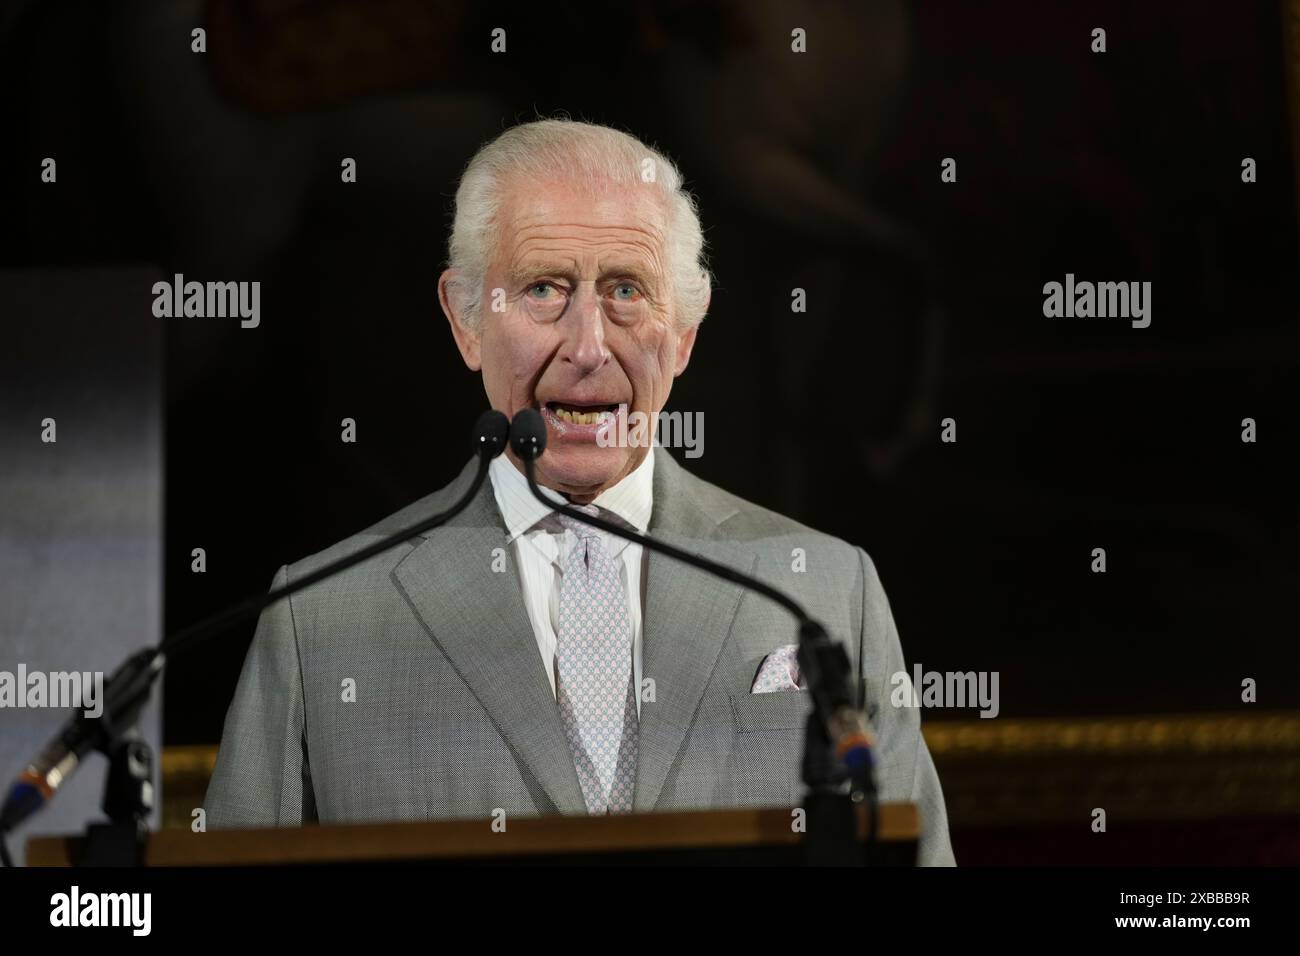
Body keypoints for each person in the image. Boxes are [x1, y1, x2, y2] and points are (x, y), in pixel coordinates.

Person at [205, 119, 956, 866]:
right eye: (544, 290)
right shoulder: (317, 622)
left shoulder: (824, 593)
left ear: (685, 333)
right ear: (467, 321)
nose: (589, 346)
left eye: (626, 290)